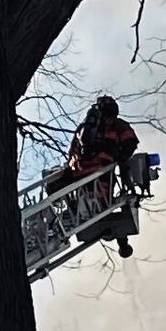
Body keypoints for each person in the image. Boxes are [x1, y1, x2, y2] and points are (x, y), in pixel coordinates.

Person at [66, 96, 142, 256]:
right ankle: (123, 243)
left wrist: (71, 172)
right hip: (102, 173)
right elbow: (130, 142)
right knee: (105, 207)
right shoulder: (118, 125)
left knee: (89, 206)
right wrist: (120, 158)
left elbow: (72, 153)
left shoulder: (83, 128)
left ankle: (121, 242)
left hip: (81, 175)